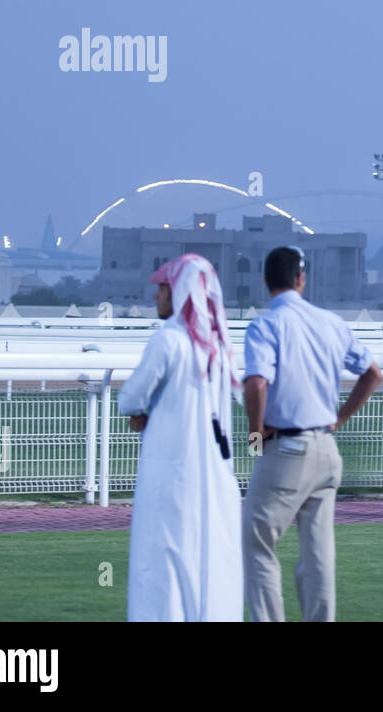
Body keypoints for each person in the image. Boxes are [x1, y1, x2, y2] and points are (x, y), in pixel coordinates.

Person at [241, 245, 383, 622]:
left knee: (256, 544)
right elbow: (373, 374)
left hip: (286, 451)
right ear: (301, 279)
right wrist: (338, 419)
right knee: (318, 554)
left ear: (266, 281)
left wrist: (255, 437)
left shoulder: (265, 325)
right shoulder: (331, 323)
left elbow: (255, 386)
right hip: (326, 448)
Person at [117, 253, 243, 622]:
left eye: (162, 288)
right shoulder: (220, 347)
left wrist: (142, 414)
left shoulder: (169, 340)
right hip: (217, 478)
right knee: (212, 562)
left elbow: (131, 398)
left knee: (162, 562)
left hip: (170, 476)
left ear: (180, 291)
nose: (156, 295)